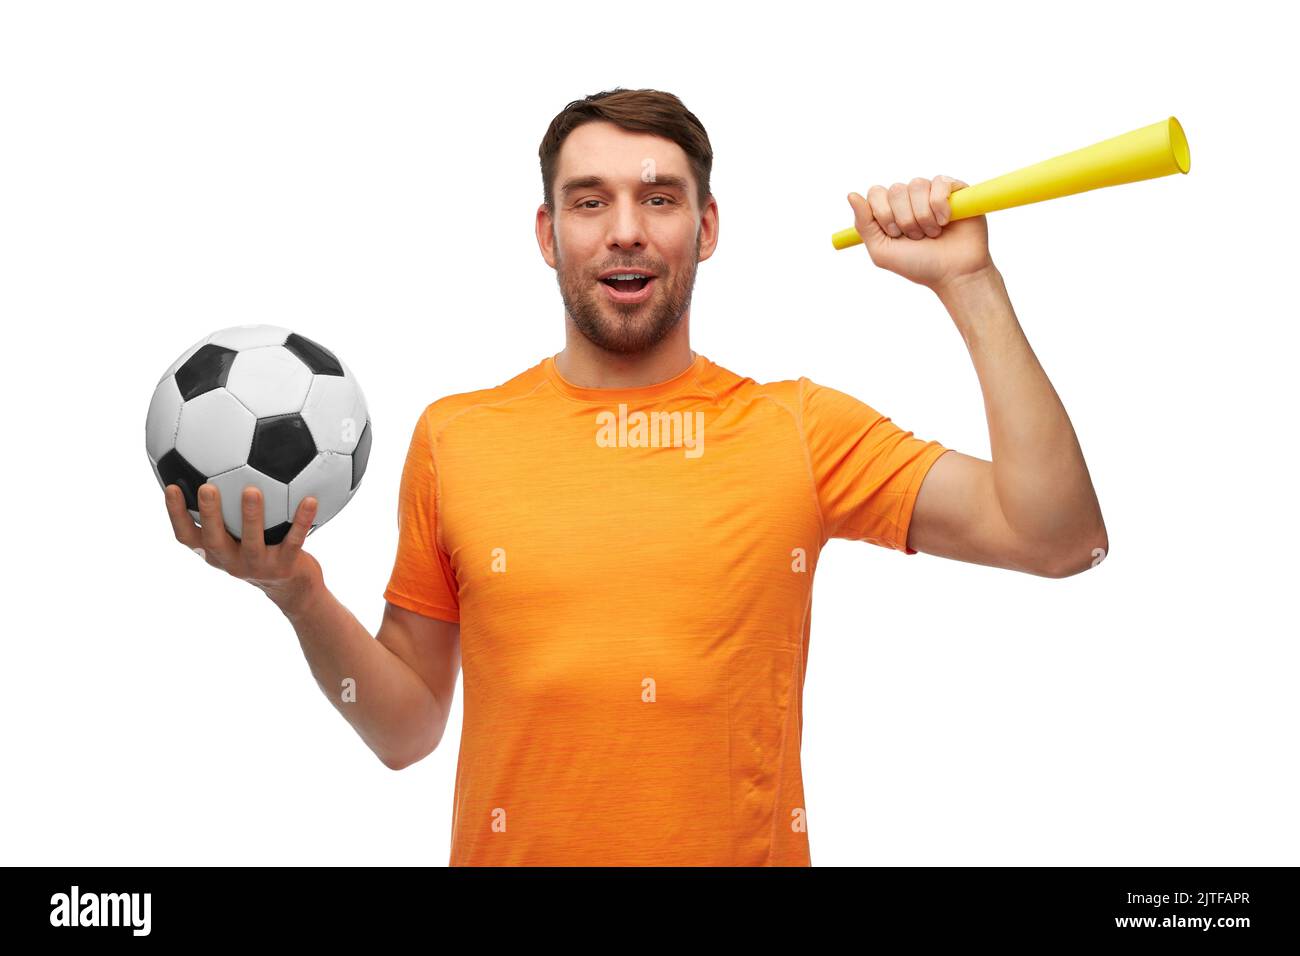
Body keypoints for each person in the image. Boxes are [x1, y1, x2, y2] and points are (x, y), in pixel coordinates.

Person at [162, 88, 1107, 866]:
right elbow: (404, 731)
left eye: (660, 199)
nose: (625, 231)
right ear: (547, 232)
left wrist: (967, 282)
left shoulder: (799, 429)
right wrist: (299, 596)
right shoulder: (458, 438)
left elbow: (1060, 537)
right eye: (589, 201)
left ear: (707, 228)